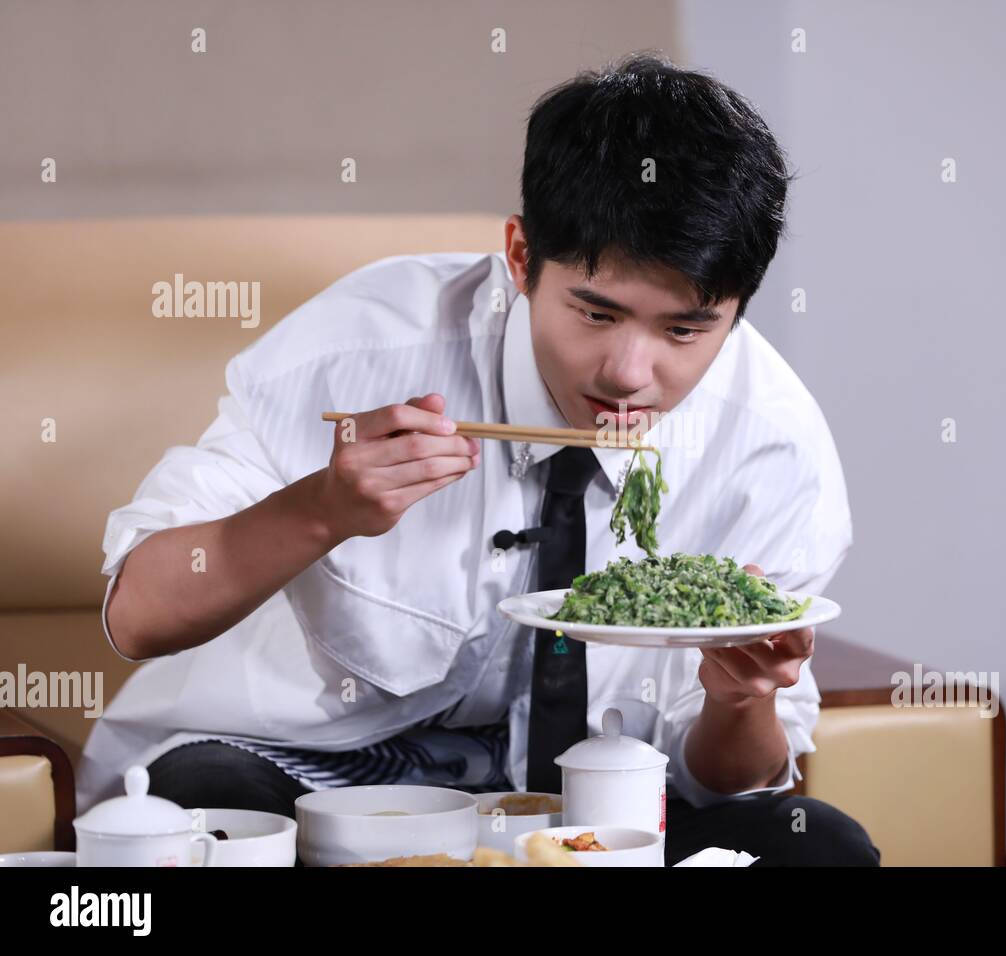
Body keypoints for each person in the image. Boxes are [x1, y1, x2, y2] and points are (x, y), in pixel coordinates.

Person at [80, 51, 880, 867]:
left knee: (821, 847)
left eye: (684, 331)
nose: (630, 376)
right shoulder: (366, 348)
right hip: (310, 773)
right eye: (596, 314)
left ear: (736, 309)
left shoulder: (772, 447)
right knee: (215, 812)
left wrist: (739, 697)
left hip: (600, 798)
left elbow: (727, 786)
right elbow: (137, 614)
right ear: (522, 257)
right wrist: (320, 508)